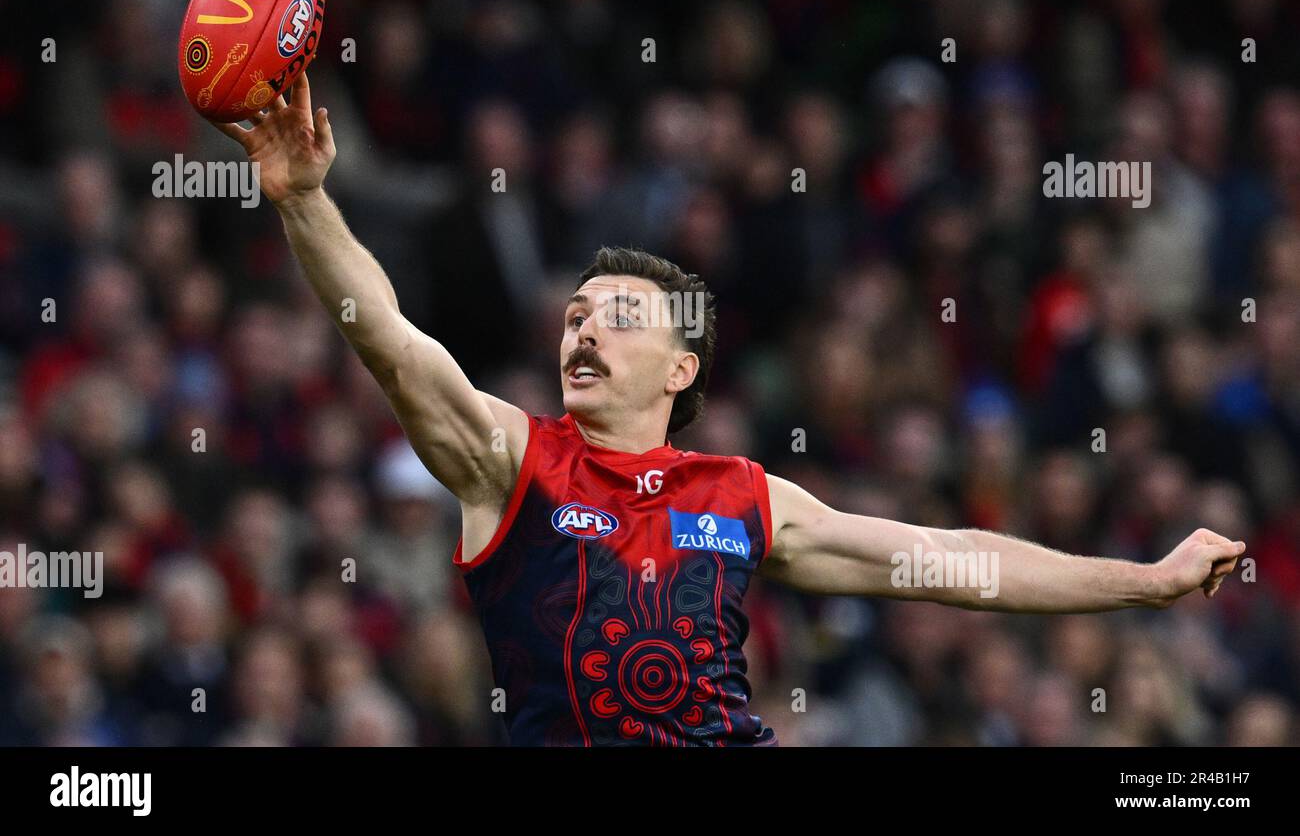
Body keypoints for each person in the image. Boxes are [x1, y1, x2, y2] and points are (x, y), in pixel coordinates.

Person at [210, 73, 1247, 746]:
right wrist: (303, 199)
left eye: (616, 315)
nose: (582, 330)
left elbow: (955, 562)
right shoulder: (511, 461)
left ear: (679, 366)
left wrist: (1144, 583)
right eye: (573, 314)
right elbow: (387, 340)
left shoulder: (746, 496)